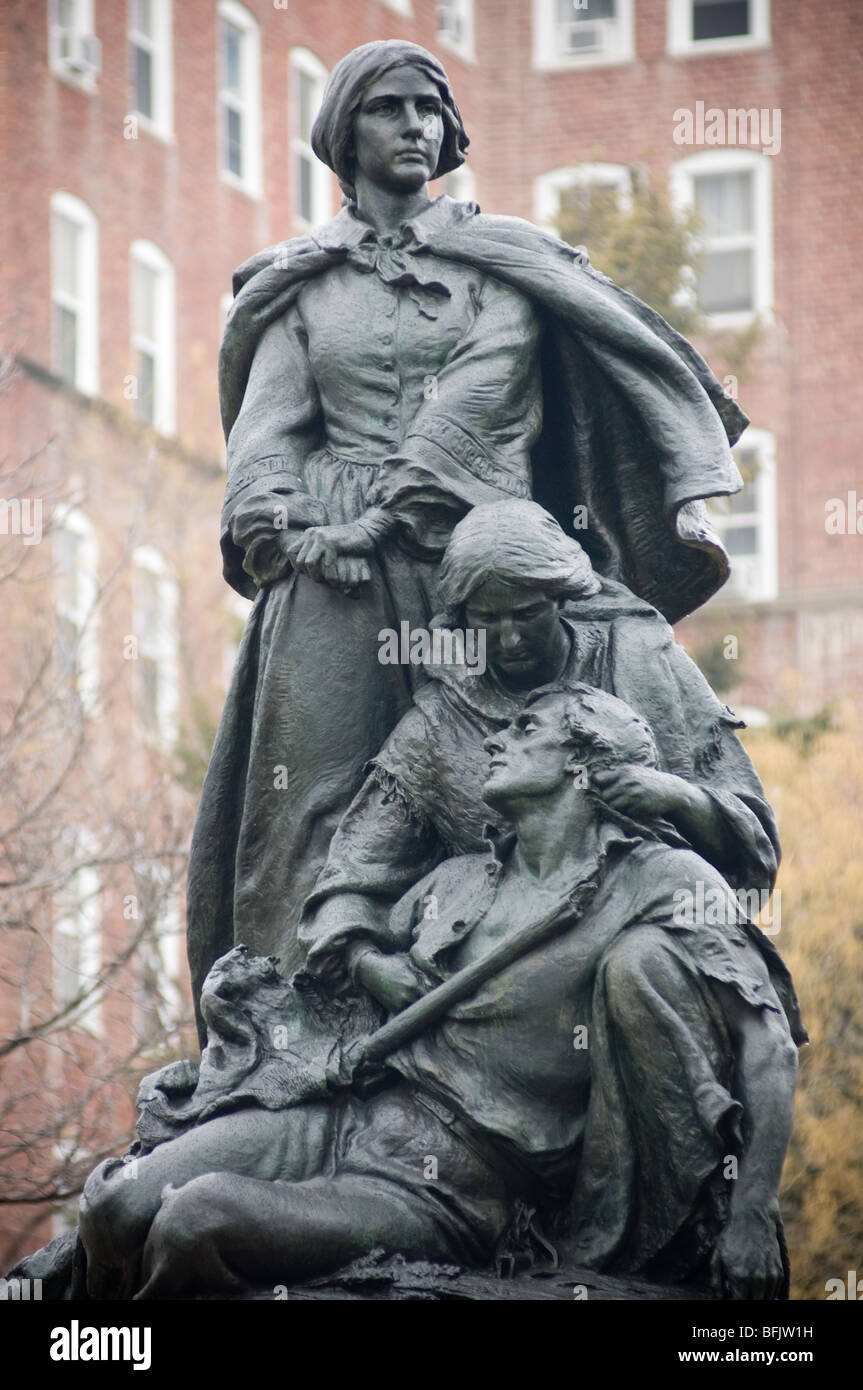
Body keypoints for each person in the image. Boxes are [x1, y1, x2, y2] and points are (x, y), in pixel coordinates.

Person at [188, 38, 748, 1032]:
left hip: (476, 549)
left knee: (497, 781)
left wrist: (385, 514)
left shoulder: (505, 263)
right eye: (389, 109)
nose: (414, 127)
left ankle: (517, 1007)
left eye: (427, 110)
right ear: (343, 133)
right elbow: (265, 440)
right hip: (334, 571)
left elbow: (480, 395)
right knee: (312, 799)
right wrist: (288, 531)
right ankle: (280, 1033)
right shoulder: (297, 283)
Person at [78, 687, 801, 1301]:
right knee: (119, 1202)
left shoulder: (660, 881)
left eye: (525, 730)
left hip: (448, 1185)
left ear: (584, 766)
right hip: (345, 1110)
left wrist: (752, 1209)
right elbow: (337, 969)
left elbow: (765, 1041)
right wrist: (365, 963)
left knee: (194, 1220)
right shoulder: (462, 878)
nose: (495, 740)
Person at [300, 500, 785, 1007]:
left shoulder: (642, 661)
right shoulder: (436, 726)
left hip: (647, 957)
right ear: (460, 617)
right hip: (501, 991)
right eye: (487, 619)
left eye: (527, 614)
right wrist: (367, 964)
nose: (509, 638)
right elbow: (352, 878)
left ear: (561, 598)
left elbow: (754, 842)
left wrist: (677, 797)